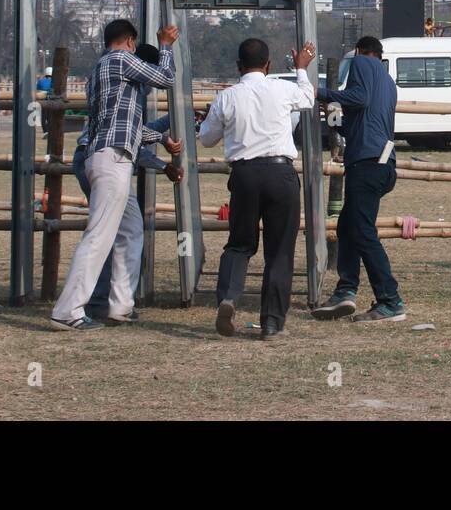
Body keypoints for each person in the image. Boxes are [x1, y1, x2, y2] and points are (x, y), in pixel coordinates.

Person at [50, 19, 177, 332]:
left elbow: (126, 124)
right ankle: (67, 311)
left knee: (129, 230)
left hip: (104, 155)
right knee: (98, 237)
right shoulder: (122, 60)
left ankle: (120, 305)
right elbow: (165, 77)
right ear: (131, 42)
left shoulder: (100, 68)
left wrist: (160, 139)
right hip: (113, 160)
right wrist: (165, 46)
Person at [200, 37, 316, 340]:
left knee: (239, 243)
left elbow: (206, 139)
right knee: (279, 252)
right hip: (280, 173)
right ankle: (272, 324)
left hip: (244, 175)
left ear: (238, 66)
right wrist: (301, 68)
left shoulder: (227, 97)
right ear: (269, 65)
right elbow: (307, 98)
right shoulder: (280, 88)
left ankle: (228, 296)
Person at [312, 35, 405, 324]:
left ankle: (390, 300)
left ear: (364, 52)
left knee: (362, 231)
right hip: (382, 163)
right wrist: (336, 116)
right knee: (348, 225)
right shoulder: (389, 84)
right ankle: (345, 290)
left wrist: (322, 93)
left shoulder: (362, 63)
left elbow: (359, 98)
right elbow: (362, 120)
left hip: (366, 163)